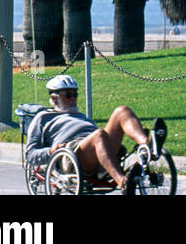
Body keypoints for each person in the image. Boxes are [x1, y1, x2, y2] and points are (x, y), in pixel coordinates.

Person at [25, 74, 166, 193]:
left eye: (75, 94)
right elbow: (30, 154)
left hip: (99, 148)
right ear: (54, 98)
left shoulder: (80, 116)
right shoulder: (42, 118)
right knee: (99, 135)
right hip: (72, 154)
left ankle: (147, 145)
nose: (73, 98)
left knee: (122, 111)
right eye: (68, 95)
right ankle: (122, 181)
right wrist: (51, 151)